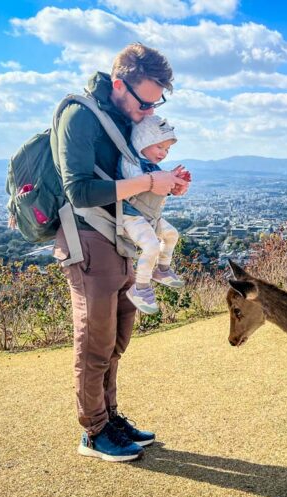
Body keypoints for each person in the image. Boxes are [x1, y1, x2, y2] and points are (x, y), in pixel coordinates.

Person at [51, 43, 188, 462]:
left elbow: (128, 180)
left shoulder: (121, 119)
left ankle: (109, 417)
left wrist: (164, 183)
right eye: (144, 102)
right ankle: (93, 431)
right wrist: (148, 184)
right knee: (95, 339)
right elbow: (79, 191)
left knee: (117, 337)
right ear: (117, 84)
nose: (148, 112)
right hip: (88, 238)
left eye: (156, 104)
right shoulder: (80, 116)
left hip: (121, 238)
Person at [118, 115, 190, 313]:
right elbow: (141, 183)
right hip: (131, 215)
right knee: (151, 246)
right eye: (160, 147)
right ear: (143, 140)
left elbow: (156, 187)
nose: (163, 153)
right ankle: (141, 288)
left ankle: (162, 269)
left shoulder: (149, 165)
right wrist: (168, 178)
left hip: (148, 215)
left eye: (167, 150)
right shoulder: (130, 162)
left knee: (172, 234)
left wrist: (174, 184)